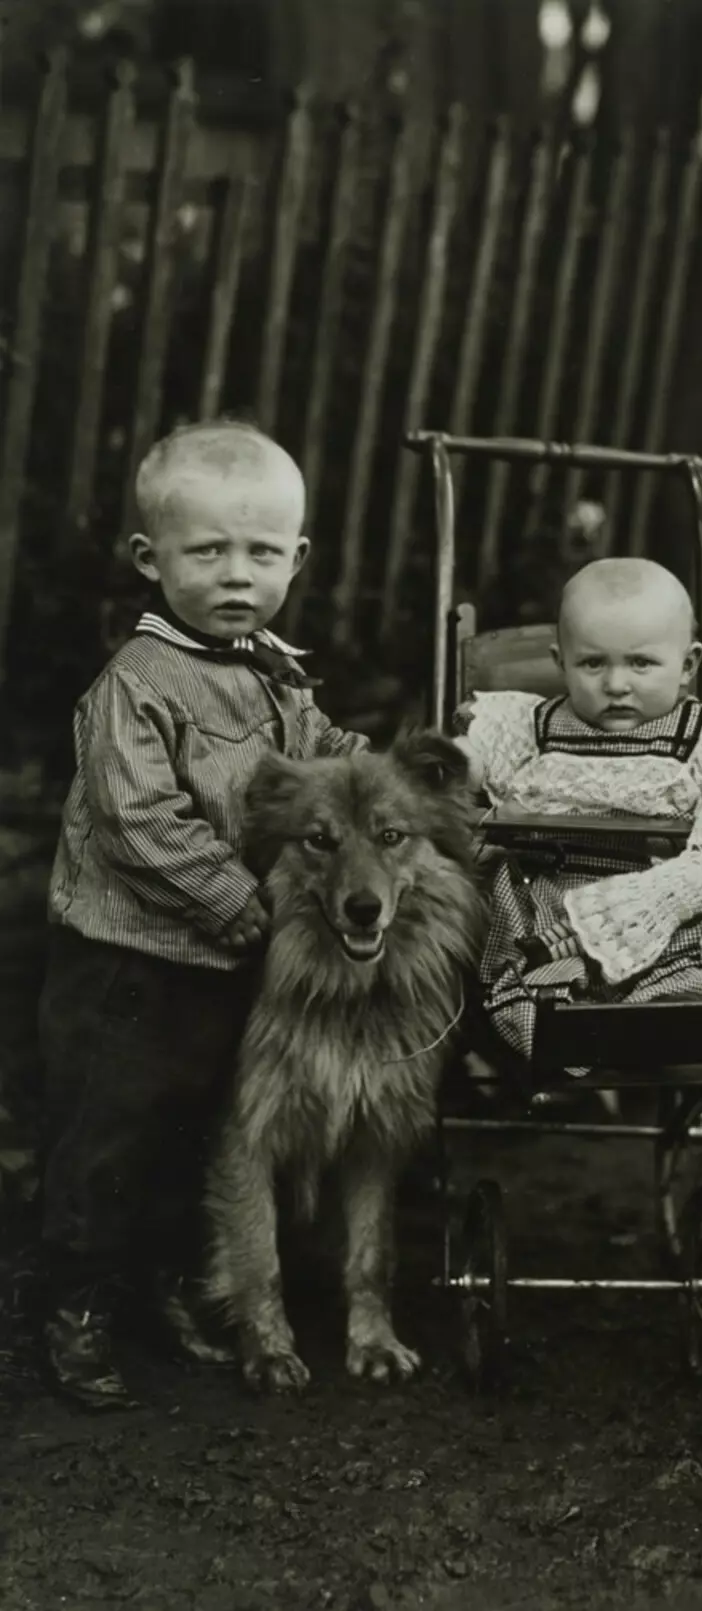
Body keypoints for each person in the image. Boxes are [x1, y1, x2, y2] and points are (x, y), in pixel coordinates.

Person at [39, 419, 369, 1410]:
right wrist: (247, 909)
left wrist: (382, 774)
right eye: (207, 551)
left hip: (225, 965)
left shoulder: (273, 671)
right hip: (129, 967)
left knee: (198, 1132)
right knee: (108, 1136)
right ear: (151, 558)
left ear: (297, 560)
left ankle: (167, 1283)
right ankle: (75, 1304)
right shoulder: (135, 688)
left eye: (261, 553)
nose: (237, 575)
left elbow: (322, 761)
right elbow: (141, 822)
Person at [454, 557, 702, 1074]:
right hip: (557, 897)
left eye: (641, 664)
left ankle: (652, 1019)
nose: (616, 684)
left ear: (687, 665)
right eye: (593, 664)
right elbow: (468, 759)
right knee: (519, 932)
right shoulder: (531, 727)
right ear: (561, 661)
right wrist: (457, 768)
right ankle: (567, 1027)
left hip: (665, 895)